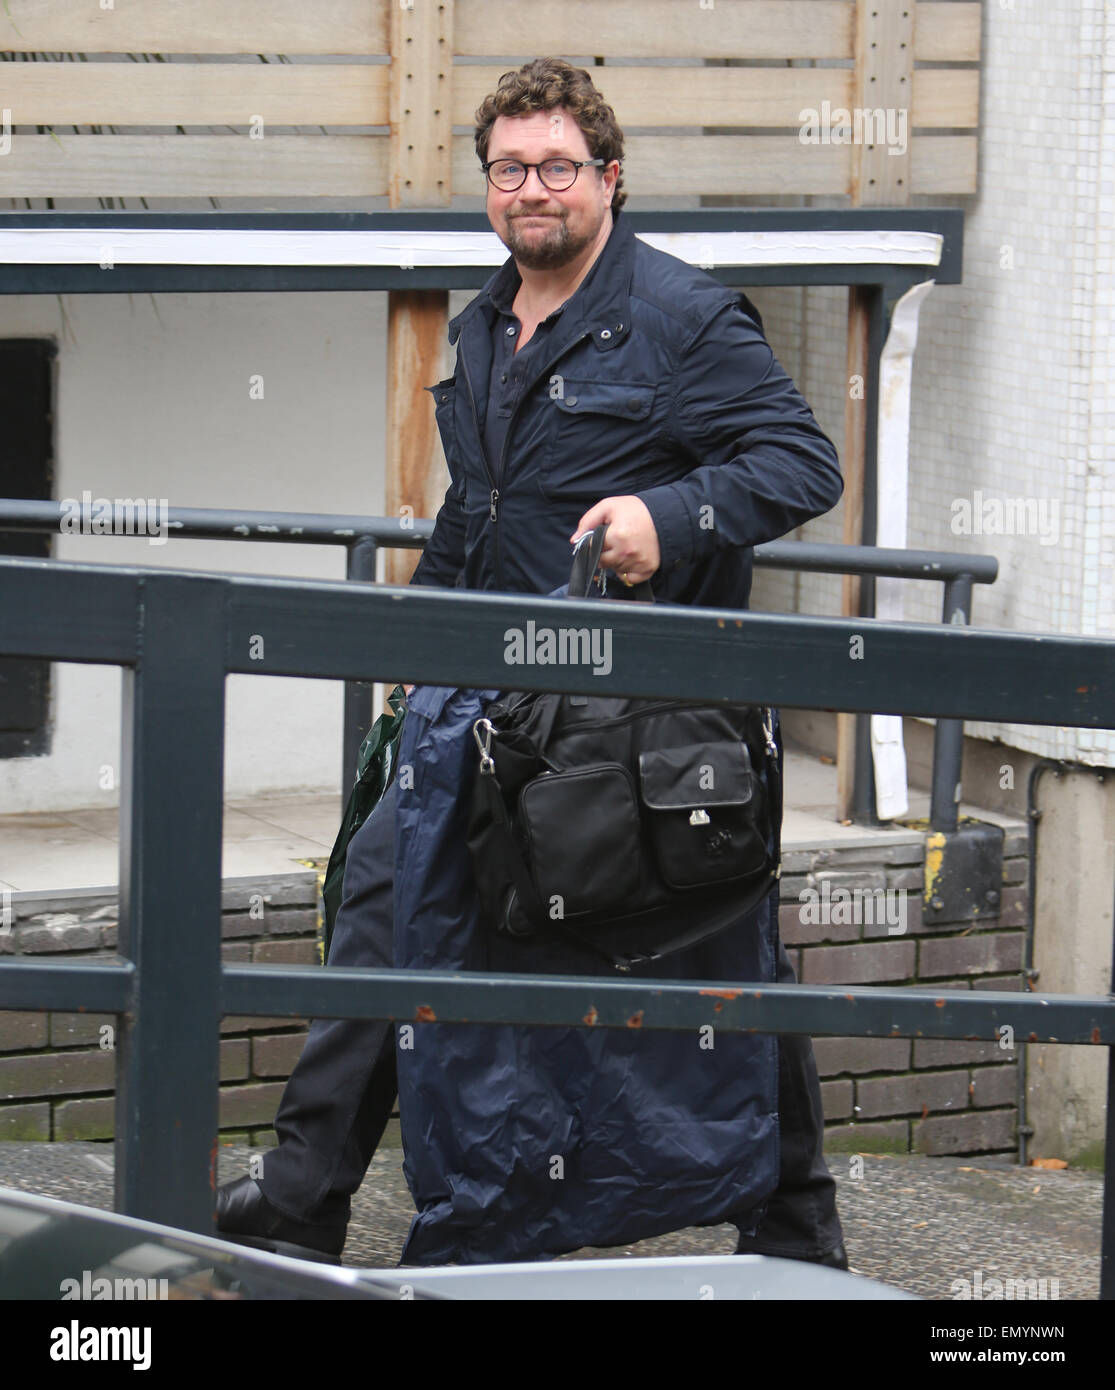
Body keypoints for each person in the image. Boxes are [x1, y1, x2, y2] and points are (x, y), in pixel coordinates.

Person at [217, 56, 847, 1269]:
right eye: (509, 169)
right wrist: (417, 631)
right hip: (482, 702)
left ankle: (792, 1214)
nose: (531, 190)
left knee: (712, 943)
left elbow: (800, 463)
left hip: (636, 719)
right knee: (384, 906)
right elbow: (478, 508)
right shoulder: (480, 323)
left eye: (557, 167)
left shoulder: (684, 318)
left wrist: (670, 517)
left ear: (608, 179)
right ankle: (304, 1191)